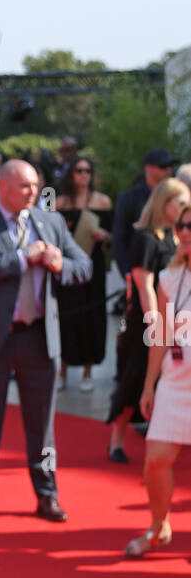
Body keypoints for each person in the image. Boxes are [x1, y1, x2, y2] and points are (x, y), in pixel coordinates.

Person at [0, 159, 92, 524]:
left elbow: (84, 266)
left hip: (39, 339)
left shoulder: (51, 222)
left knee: (42, 424)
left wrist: (60, 263)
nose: (34, 192)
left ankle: (47, 494)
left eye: (35, 185)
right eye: (26, 186)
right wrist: (23, 258)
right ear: (4, 187)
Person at [106, 178, 190, 461]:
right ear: (163, 203)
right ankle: (117, 439)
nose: (182, 210)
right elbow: (144, 284)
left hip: (175, 321)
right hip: (146, 321)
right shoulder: (145, 237)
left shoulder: (175, 238)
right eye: (179, 203)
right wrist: (155, 324)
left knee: (161, 377)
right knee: (135, 377)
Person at [124, 202, 191, 556]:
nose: (183, 232)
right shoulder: (170, 277)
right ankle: (159, 525)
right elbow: (162, 336)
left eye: (190, 226)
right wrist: (150, 385)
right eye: (180, 225)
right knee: (156, 459)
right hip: (175, 380)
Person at [55, 157, 112, 391]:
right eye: (79, 170)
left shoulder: (103, 201)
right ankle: (62, 371)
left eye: (87, 170)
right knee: (66, 315)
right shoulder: (59, 202)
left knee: (92, 315)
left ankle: (88, 373)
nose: (83, 175)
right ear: (71, 174)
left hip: (93, 265)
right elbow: (46, 230)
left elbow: (112, 235)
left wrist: (103, 235)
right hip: (68, 266)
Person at [111, 148, 178, 279]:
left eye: (170, 167)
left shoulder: (176, 197)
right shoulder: (129, 198)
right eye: (163, 166)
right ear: (148, 168)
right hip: (142, 272)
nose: (168, 170)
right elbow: (119, 238)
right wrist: (127, 272)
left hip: (171, 270)